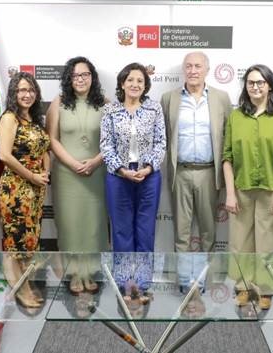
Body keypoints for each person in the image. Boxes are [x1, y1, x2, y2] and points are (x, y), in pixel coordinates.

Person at [222, 64, 273, 311]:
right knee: (240, 242)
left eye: (260, 82)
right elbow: (227, 157)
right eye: (251, 82)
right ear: (245, 87)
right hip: (241, 190)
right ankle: (244, 287)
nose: (255, 87)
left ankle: (265, 289)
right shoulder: (236, 116)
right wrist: (230, 194)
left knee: (269, 244)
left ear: (269, 86)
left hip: (272, 189)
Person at [159, 52, 231, 290]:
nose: (192, 70)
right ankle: (184, 281)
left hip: (210, 173)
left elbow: (227, 138)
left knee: (209, 232)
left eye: (197, 66)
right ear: (183, 70)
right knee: (181, 231)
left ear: (207, 70)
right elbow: (164, 137)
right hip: (180, 172)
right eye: (188, 66)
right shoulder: (169, 98)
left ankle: (204, 280)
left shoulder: (221, 98)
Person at [100, 62, 166, 299]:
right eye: (130, 80)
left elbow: (161, 143)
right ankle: (126, 284)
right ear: (122, 83)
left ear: (146, 85)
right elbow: (106, 145)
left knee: (145, 231)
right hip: (118, 178)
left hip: (149, 178)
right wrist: (121, 169)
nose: (135, 84)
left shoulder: (154, 109)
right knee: (121, 231)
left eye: (140, 80)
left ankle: (143, 284)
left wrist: (148, 168)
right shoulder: (110, 111)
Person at [46, 56, 108, 294]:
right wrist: (73, 163)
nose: (80, 79)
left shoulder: (105, 103)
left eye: (85, 75)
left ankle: (91, 271)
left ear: (92, 77)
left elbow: (111, 141)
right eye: (75, 75)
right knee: (70, 224)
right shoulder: (58, 103)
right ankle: (73, 272)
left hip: (96, 171)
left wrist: (93, 162)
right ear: (68, 79)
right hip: (66, 173)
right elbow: (52, 139)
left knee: (94, 224)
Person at [0, 72, 51, 308]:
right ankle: (21, 289)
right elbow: (4, 155)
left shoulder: (35, 119)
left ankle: (25, 284)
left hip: (36, 189)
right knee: (16, 241)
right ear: (13, 93)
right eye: (21, 90)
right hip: (16, 189)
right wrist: (32, 177)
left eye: (31, 90)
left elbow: (44, 150)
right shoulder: (10, 118)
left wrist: (45, 175)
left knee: (29, 241)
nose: (27, 94)